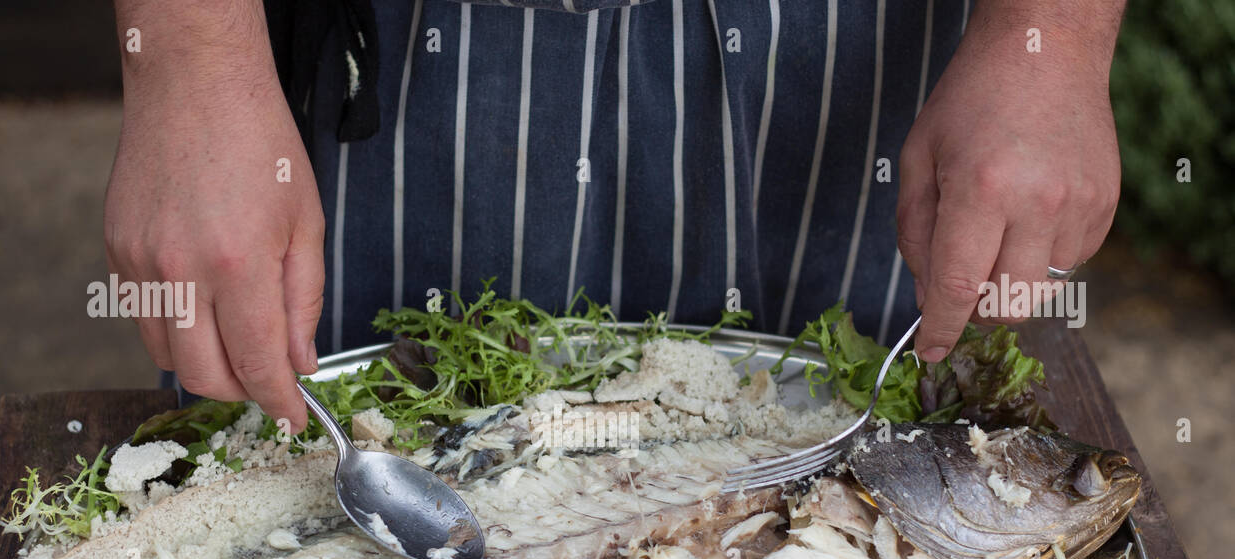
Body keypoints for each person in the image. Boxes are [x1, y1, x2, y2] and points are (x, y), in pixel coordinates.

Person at [104, 0, 1123, 435]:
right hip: (411, 63)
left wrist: (1052, 33)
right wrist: (192, 55)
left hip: (834, 67)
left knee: (847, 549)